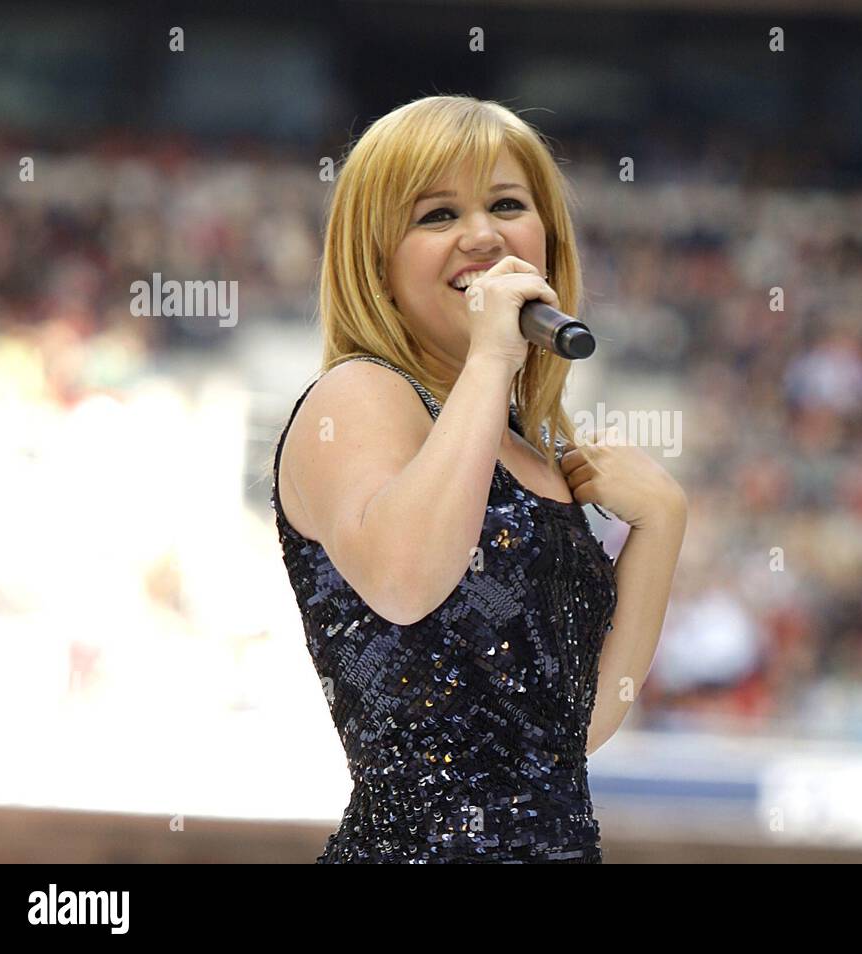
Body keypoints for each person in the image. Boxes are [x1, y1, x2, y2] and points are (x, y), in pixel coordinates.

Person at [271, 95, 688, 862]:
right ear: (377, 261)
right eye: (436, 216)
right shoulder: (360, 395)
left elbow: (573, 729)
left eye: (506, 205)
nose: (483, 235)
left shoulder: (523, 446)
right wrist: (494, 355)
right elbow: (403, 579)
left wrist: (661, 527)